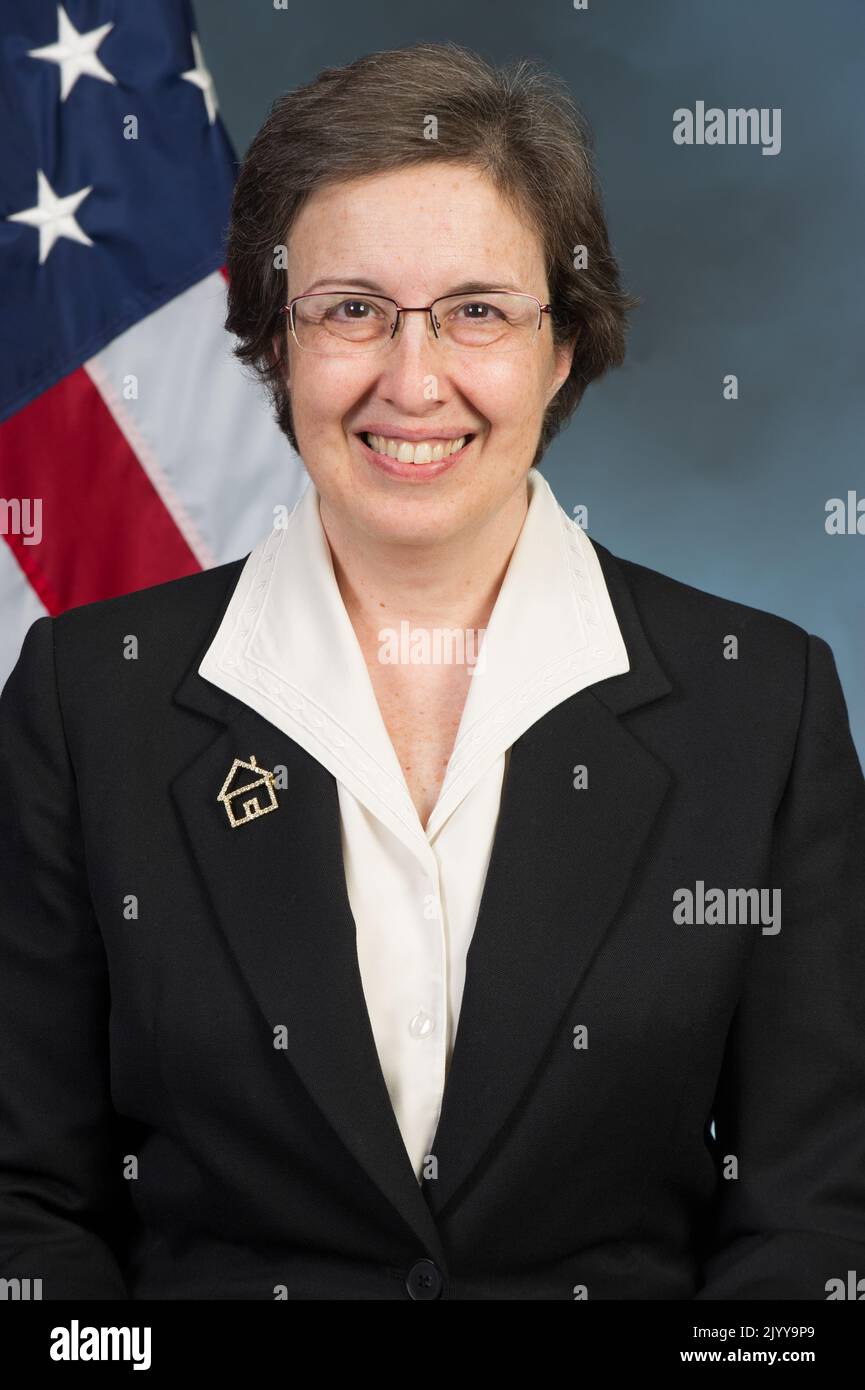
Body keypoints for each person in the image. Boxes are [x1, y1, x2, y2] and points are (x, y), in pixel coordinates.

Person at [1, 41, 863, 1302]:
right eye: (350, 308)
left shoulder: (761, 703)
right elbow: (27, 1206)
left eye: (476, 310)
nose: (414, 381)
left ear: (561, 346)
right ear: (271, 339)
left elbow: (816, 1214)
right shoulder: (88, 699)